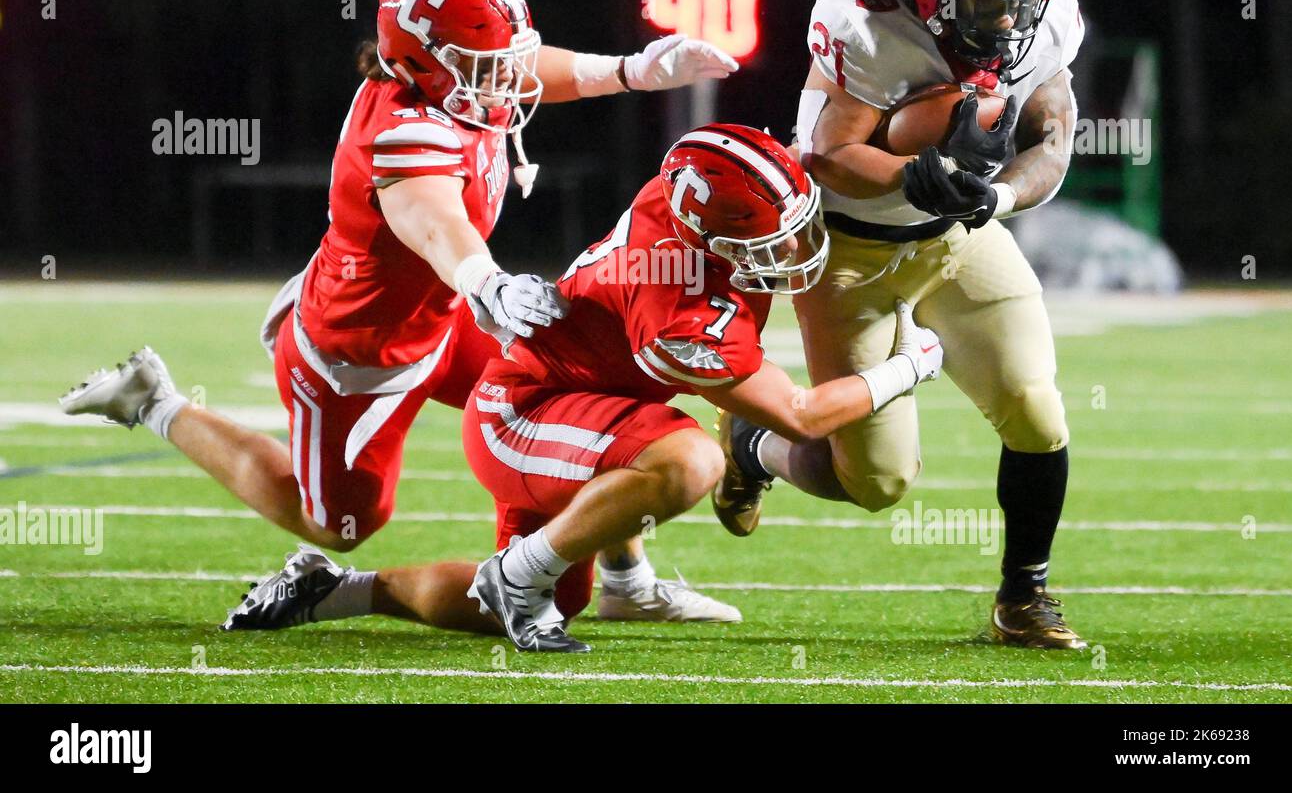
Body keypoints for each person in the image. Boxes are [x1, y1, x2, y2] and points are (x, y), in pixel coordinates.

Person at [60, 0, 743, 629]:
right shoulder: (405, 126)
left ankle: (628, 581)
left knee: (579, 388)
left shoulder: (455, 79)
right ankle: (154, 402)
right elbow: (433, 218)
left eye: (504, 58)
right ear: (423, 64)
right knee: (342, 524)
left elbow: (520, 66)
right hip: (361, 350)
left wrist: (632, 71)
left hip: (443, 316)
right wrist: (486, 283)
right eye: (486, 64)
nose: (506, 77)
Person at [225, 125, 943, 652]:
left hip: (570, 401)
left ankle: (335, 590)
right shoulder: (681, 315)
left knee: (562, 594)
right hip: (522, 416)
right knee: (688, 460)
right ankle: (518, 575)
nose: (791, 250)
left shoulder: (682, 202)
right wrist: (908, 367)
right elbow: (802, 414)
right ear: (711, 242)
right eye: (770, 240)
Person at [715, 0, 1089, 649]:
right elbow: (825, 155)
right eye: (988, 0)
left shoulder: (1045, 17)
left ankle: (1024, 596)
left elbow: (1053, 139)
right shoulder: (868, 21)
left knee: (1037, 410)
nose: (1010, 19)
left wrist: (1000, 200)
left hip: (958, 239)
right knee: (876, 484)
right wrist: (911, 175)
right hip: (848, 252)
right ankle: (755, 444)